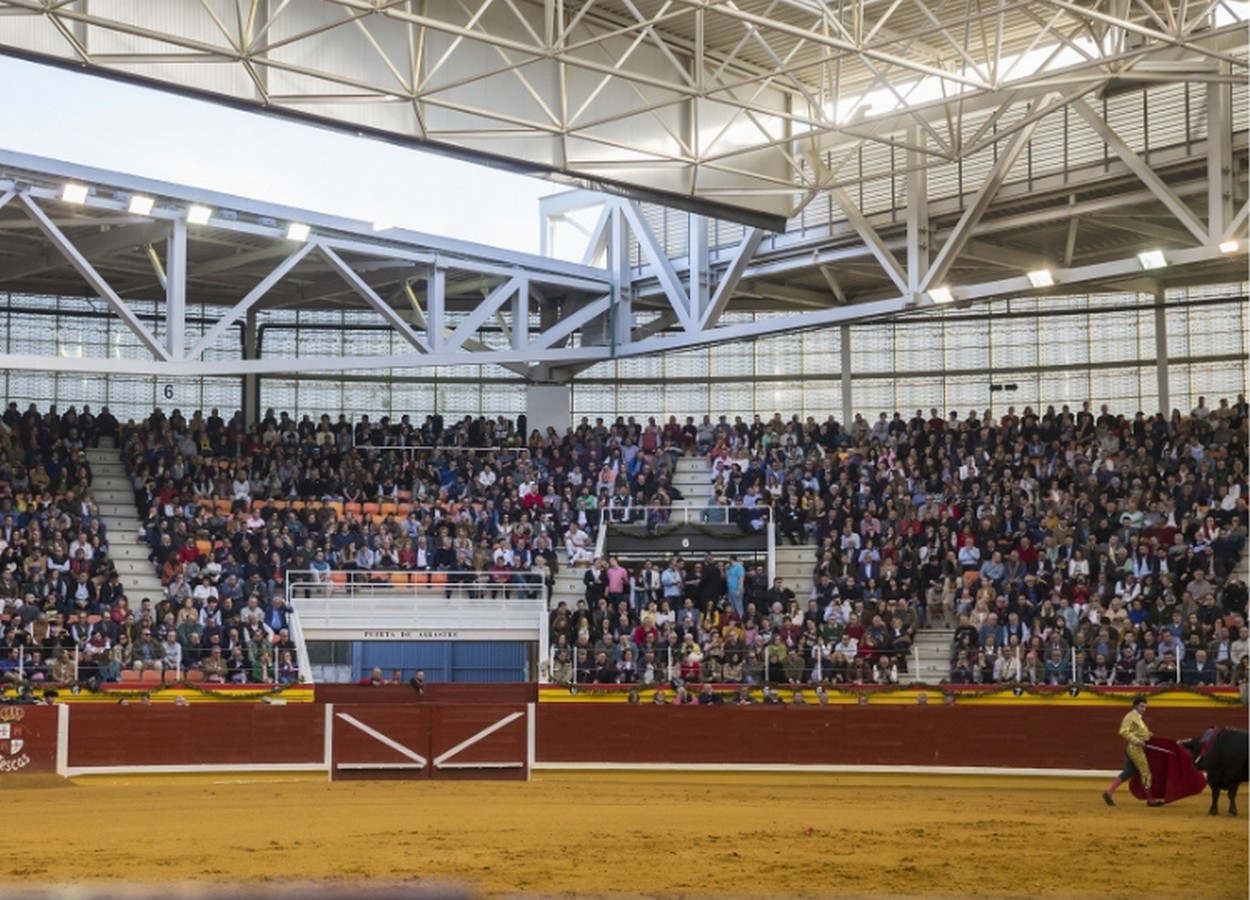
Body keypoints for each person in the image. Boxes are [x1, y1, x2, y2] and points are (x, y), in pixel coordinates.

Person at [1102, 695, 1165, 807]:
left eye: (1145, 707)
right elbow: (1123, 731)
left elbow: (1136, 731)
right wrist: (1137, 740)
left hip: (1134, 747)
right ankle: (1151, 801)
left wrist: (1147, 735)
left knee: (1127, 772)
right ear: (1135, 706)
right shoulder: (1130, 716)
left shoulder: (1137, 717)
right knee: (1146, 773)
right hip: (1135, 748)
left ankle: (1108, 793)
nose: (1143, 709)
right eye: (1141, 706)